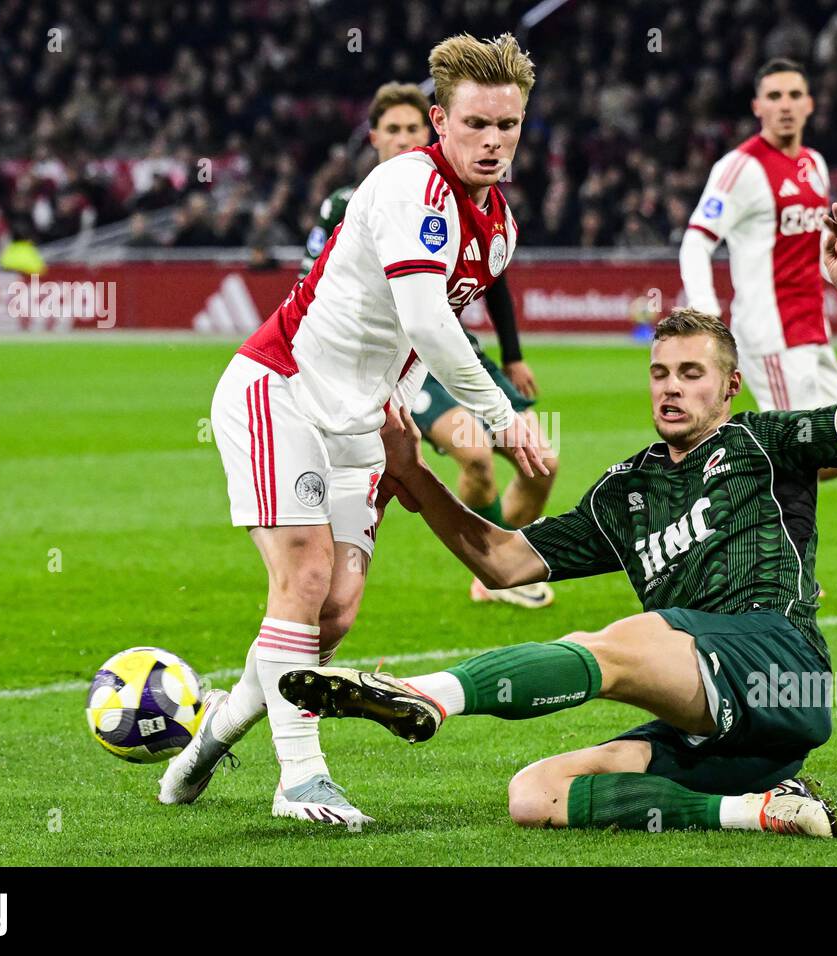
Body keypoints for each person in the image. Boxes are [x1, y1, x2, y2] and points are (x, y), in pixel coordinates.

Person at [281, 204, 837, 838]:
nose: (670, 388)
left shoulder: (768, 441)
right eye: (660, 373)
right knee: (535, 795)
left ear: (730, 387)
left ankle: (429, 693)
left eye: (691, 374)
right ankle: (758, 808)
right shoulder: (625, 491)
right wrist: (417, 475)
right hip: (717, 722)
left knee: (611, 642)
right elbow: (503, 563)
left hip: (782, 669)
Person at [157, 33, 548, 827]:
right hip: (282, 392)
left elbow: (409, 347)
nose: (493, 141)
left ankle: (214, 733)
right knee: (301, 577)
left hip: (361, 419)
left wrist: (398, 404)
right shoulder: (408, 186)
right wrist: (505, 418)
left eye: (507, 126)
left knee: (333, 613)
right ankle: (300, 780)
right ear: (440, 120)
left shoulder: (498, 228)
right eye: (476, 123)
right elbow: (428, 324)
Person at [302, 81, 558, 609]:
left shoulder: (472, 202)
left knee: (544, 463)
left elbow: (495, 280)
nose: (402, 139)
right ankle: (492, 569)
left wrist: (512, 354)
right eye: (391, 129)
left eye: (411, 129)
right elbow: (317, 286)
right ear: (374, 137)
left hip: (453, 346)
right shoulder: (356, 203)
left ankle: (500, 565)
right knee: (476, 457)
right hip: (397, 354)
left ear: (433, 128)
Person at [679, 59, 837, 480]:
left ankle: (720, 476)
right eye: (775, 96)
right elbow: (696, 240)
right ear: (757, 107)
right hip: (770, 334)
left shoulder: (814, 164)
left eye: (794, 95)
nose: (785, 105)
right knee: (804, 458)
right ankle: (744, 524)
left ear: (810, 105)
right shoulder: (739, 168)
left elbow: (819, 243)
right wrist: (706, 315)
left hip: (811, 329)